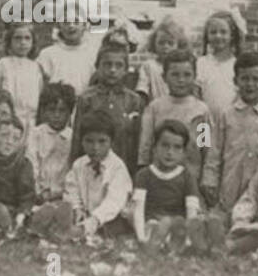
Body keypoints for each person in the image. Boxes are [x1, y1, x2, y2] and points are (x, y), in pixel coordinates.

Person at [201, 51, 258, 214]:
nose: (250, 84)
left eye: (256, 79)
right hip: (231, 182)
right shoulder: (225, 115)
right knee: (230, 221)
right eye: (245, 79)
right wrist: (210, 179)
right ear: (236, 81)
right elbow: (214, 151)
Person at [132, 120, 225, 253]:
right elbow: (138, 210)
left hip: (179, 223)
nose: (170, 152)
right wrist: (140, 238)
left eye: (177, 147)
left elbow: (191, 209)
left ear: (184, 152)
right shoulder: (144, 175)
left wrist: (188, 235)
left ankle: (203, 241)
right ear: (154, 147)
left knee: (195, 223)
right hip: (153, 221)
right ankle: (163, 240)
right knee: (154, 227)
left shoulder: (187, 176)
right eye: (165, 146)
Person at [137, 50, 212, 186]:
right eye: (175, 75)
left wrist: (205, 180)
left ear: (195, 76)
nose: (181, 80)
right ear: (164, 77)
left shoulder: (201, 110)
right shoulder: (155, 108)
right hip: (159, 179)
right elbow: (145, 145)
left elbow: (205, 148)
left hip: (190, 179)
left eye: (187, 75)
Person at [70, 39, 143, 167]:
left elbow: (136, 141)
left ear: (126, 69)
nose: (113, 70)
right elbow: (77, 139)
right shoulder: (87, 98)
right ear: (97, 67)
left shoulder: (133, 100)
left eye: (118, 65)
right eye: (107, 64)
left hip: (123, 166)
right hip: (91, 166)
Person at [61, 110, 133, 240]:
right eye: (89, 141)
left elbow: (114, 202)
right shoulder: (79, 165)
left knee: (112, 229)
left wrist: (94, 220)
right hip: (86, 214)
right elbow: (72, 189)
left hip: (109, 218)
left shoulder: (117, 167)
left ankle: (86, 232)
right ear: (81, 141)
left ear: (111, 142)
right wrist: (78, 209)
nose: (95, 148)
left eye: (102, 141)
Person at [26, 83, 76, 210]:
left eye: (62, 110)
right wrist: (38, 193)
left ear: (70, 112)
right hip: (39, 194)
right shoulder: (35, 134)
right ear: (43, 111)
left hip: (64, 194)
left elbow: (73, 171)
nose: (57, 115)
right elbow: (32, 164)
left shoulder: (73, 137)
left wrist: (59, 193)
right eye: (52, 110)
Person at [0, 22, 43, 130]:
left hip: (30, 120)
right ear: (9, 42)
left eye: (27, 38)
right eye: (18, 38)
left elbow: (39, 93)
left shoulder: (35, 67)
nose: (23, 42)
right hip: (7, 120)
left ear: (33, 42)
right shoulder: (3, 64)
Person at [36, 11, 102, 95]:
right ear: (59, 26)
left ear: (85, 25)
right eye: (66, 22)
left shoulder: (94, 53)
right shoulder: (47, 54)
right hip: (57, 104)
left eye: (76, 22)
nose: (71, 26)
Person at [195, 9, 242, 116]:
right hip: (204, 120)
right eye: (213, 32)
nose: (218, 36)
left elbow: (241, 94)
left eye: (223, 32)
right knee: (202, 133)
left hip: (231, 121)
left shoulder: (238, 65)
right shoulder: (201, 63)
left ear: (232, 35)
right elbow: (196, 94)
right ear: (207, 36)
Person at [134, 15, 189, 103]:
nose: (165, 47)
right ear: (154, 44)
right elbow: (142, 90)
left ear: (179, 45)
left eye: (170, 43)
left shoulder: (182, 66)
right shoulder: (149, 66)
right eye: (161, 43)